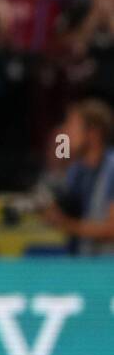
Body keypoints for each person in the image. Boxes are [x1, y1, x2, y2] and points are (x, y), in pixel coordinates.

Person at [42, 99, 114, 254]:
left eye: (72, 127)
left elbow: (111, 230)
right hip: (85, 266)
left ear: (94, 133)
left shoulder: (112, 169)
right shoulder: (76, 170)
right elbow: (60, 197)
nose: (65, 133)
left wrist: (64, 223)